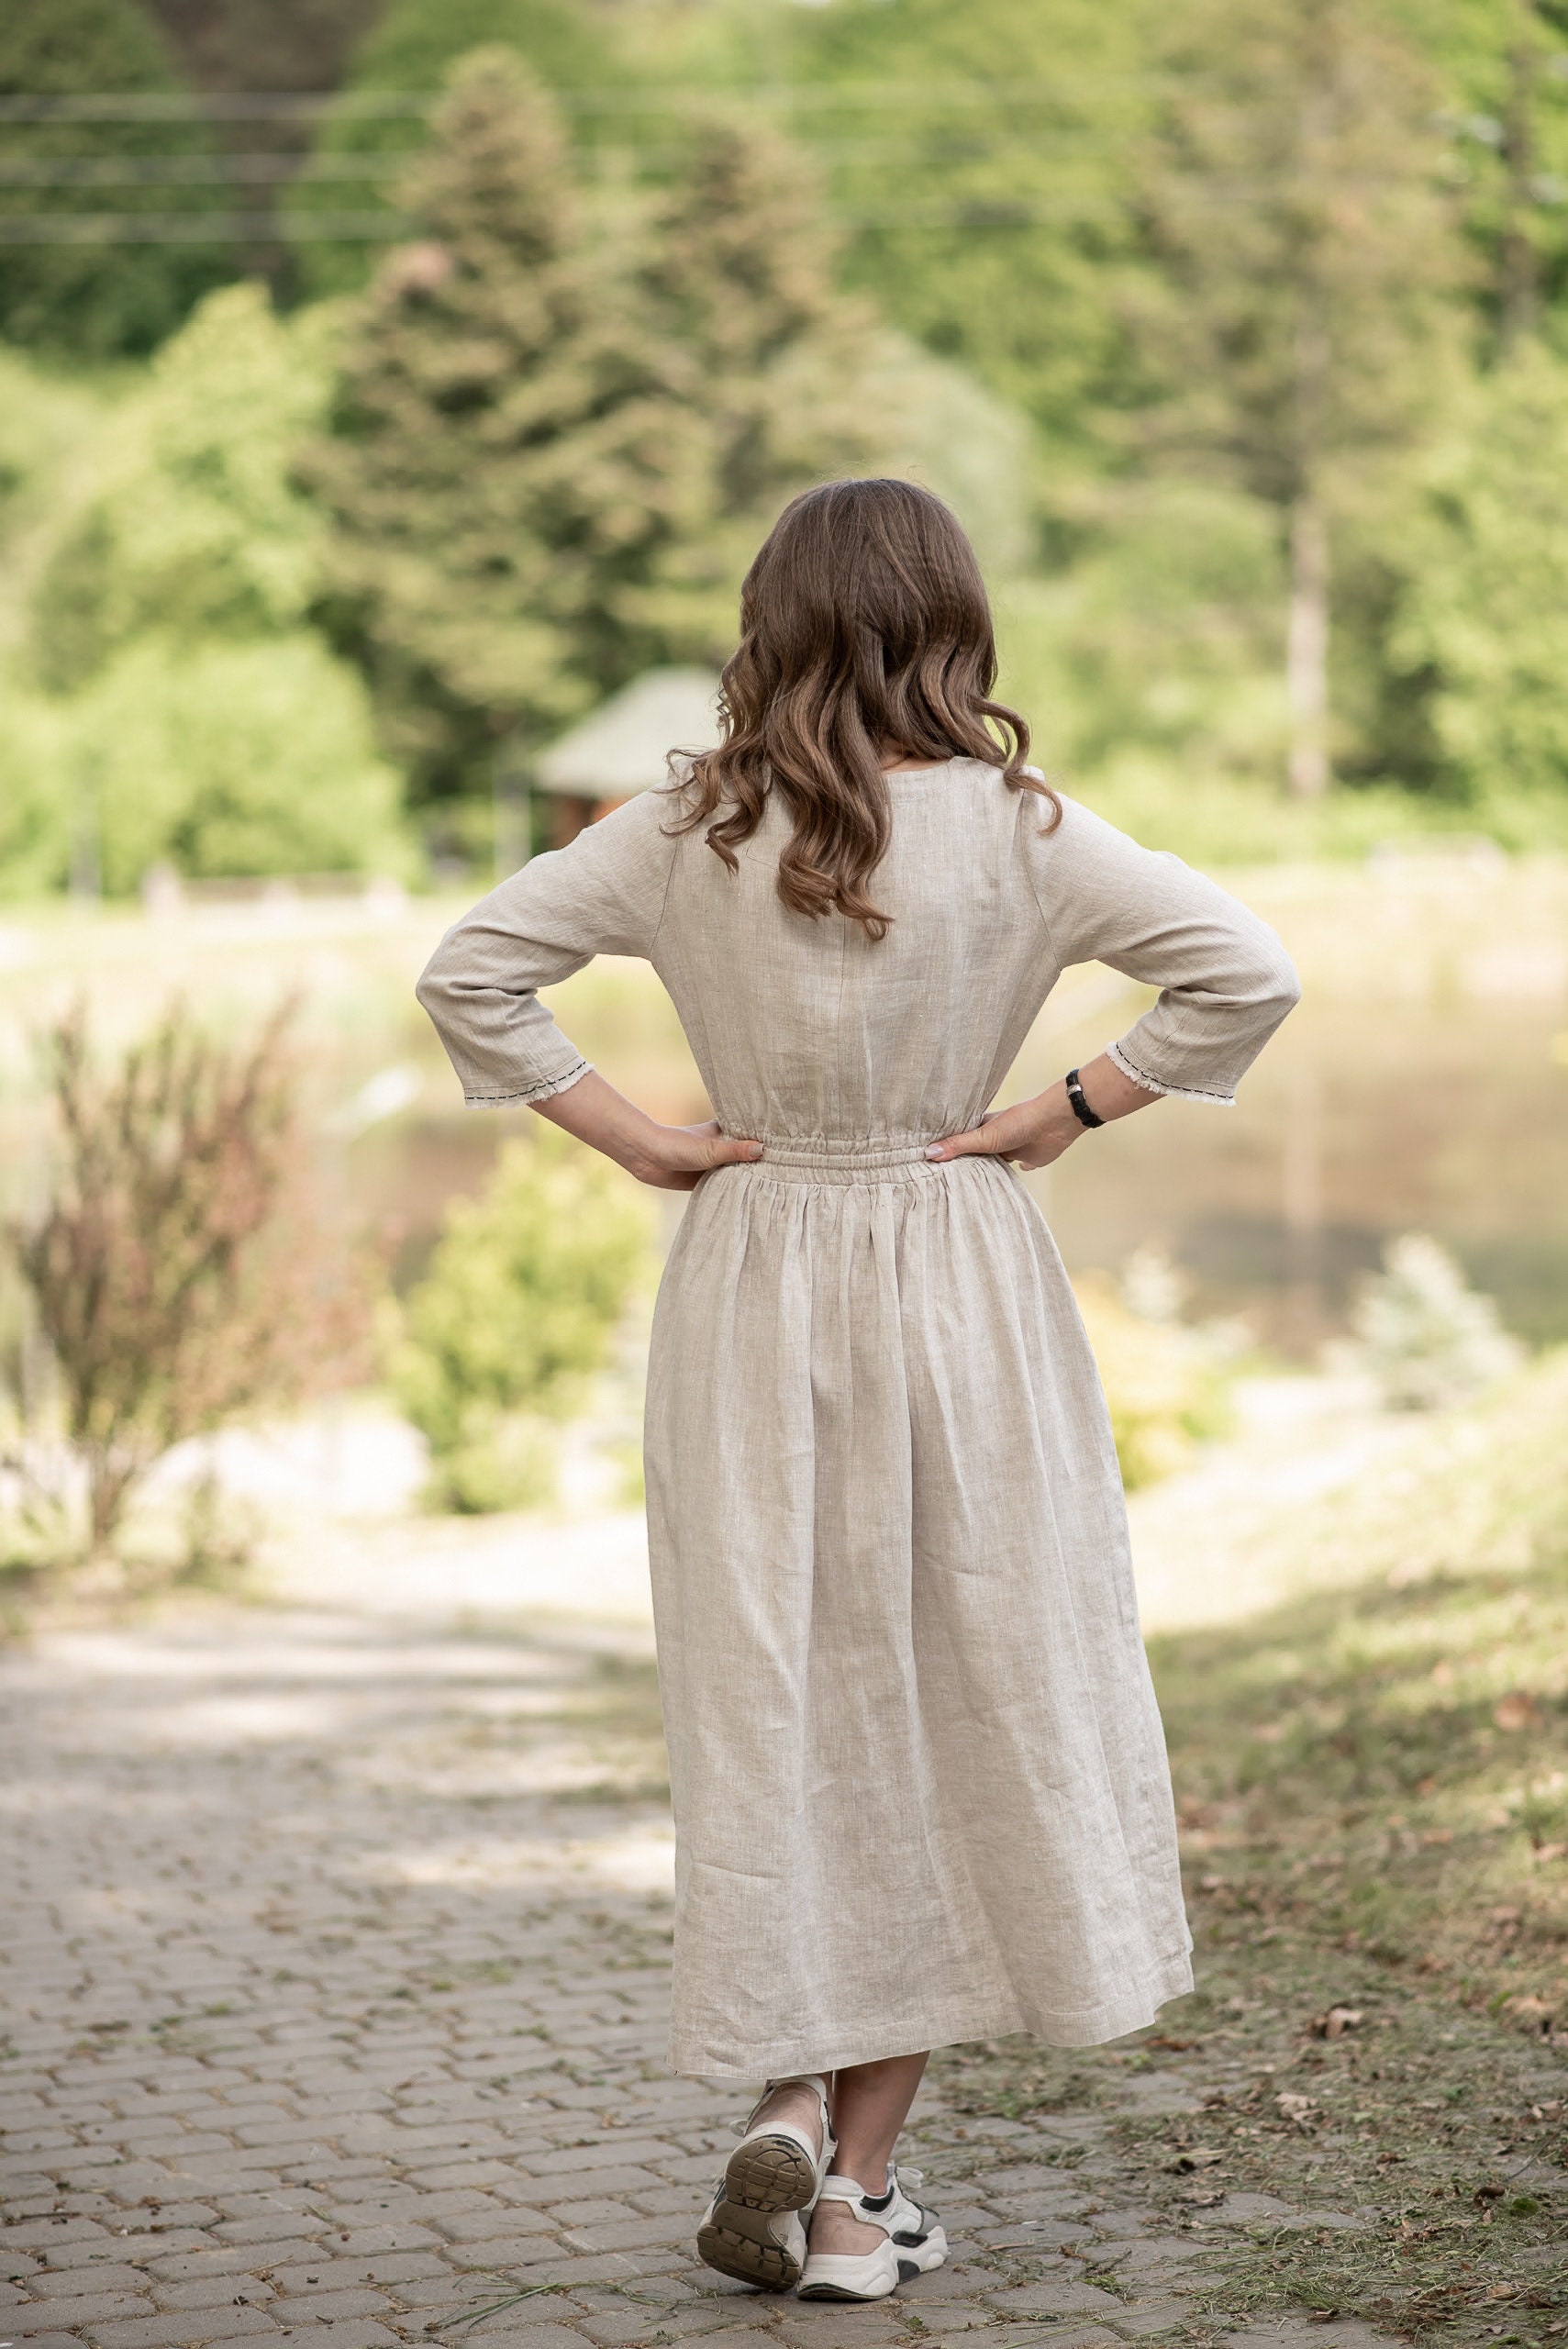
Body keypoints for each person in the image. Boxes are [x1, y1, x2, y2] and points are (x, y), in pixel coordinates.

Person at [416, 478, 1300, 2305]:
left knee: (784, 1700)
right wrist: (1065, 1107)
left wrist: (650, 1140)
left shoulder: (690, 822)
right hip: (959, 1272)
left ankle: (797, 2094)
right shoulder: (1027, 828)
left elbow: (473, 972)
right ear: (952, 622)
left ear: (775, 619)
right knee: (963, 1697)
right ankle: (845, 2189)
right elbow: (1245, 972)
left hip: (755, 1276)